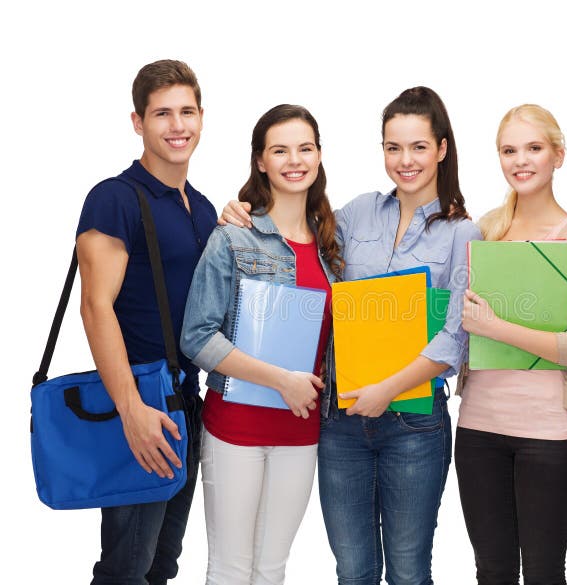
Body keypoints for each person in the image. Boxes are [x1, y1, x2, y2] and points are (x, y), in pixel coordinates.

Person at [222, 86, 482, 585]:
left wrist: (388, 390)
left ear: (442, 149)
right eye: (393, 147)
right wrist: (239, 213)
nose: (405, 160)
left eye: (418, 147)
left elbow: (456, 337)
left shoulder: (462, 234)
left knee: (408, 571)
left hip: (414, 423)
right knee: (353, 570)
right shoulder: (356, 213)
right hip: (341, 423)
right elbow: (293, 241)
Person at [180, 104, 338, 585]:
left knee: (271, 570)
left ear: (319, 155)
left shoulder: (335, 246)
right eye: (280, 149)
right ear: (261, 162)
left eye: (305, 148)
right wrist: (281, 381)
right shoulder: (234, 236)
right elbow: (197, 337)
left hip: (302, 431)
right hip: (236, 428)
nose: (295, 159)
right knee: (230, 570)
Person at [75, 59, 217, 584]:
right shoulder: (114, 199)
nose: (177, 126)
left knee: (160, 566)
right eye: (162, 114)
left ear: (202, 117)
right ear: (138, 122)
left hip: (188, 406)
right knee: (124, 570)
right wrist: (130, 408)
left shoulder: (201, 209)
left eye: (186, 112)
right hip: (140, 402)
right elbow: (95, 307)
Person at [456, 104, 567, 585]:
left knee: (542, 573)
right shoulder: (484, 231)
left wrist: (494, 327)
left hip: (548, 434)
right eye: (509, 150)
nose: (521, 160)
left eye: (534, 148)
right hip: (478, 428)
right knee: (492, 571)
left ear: (558, 155)